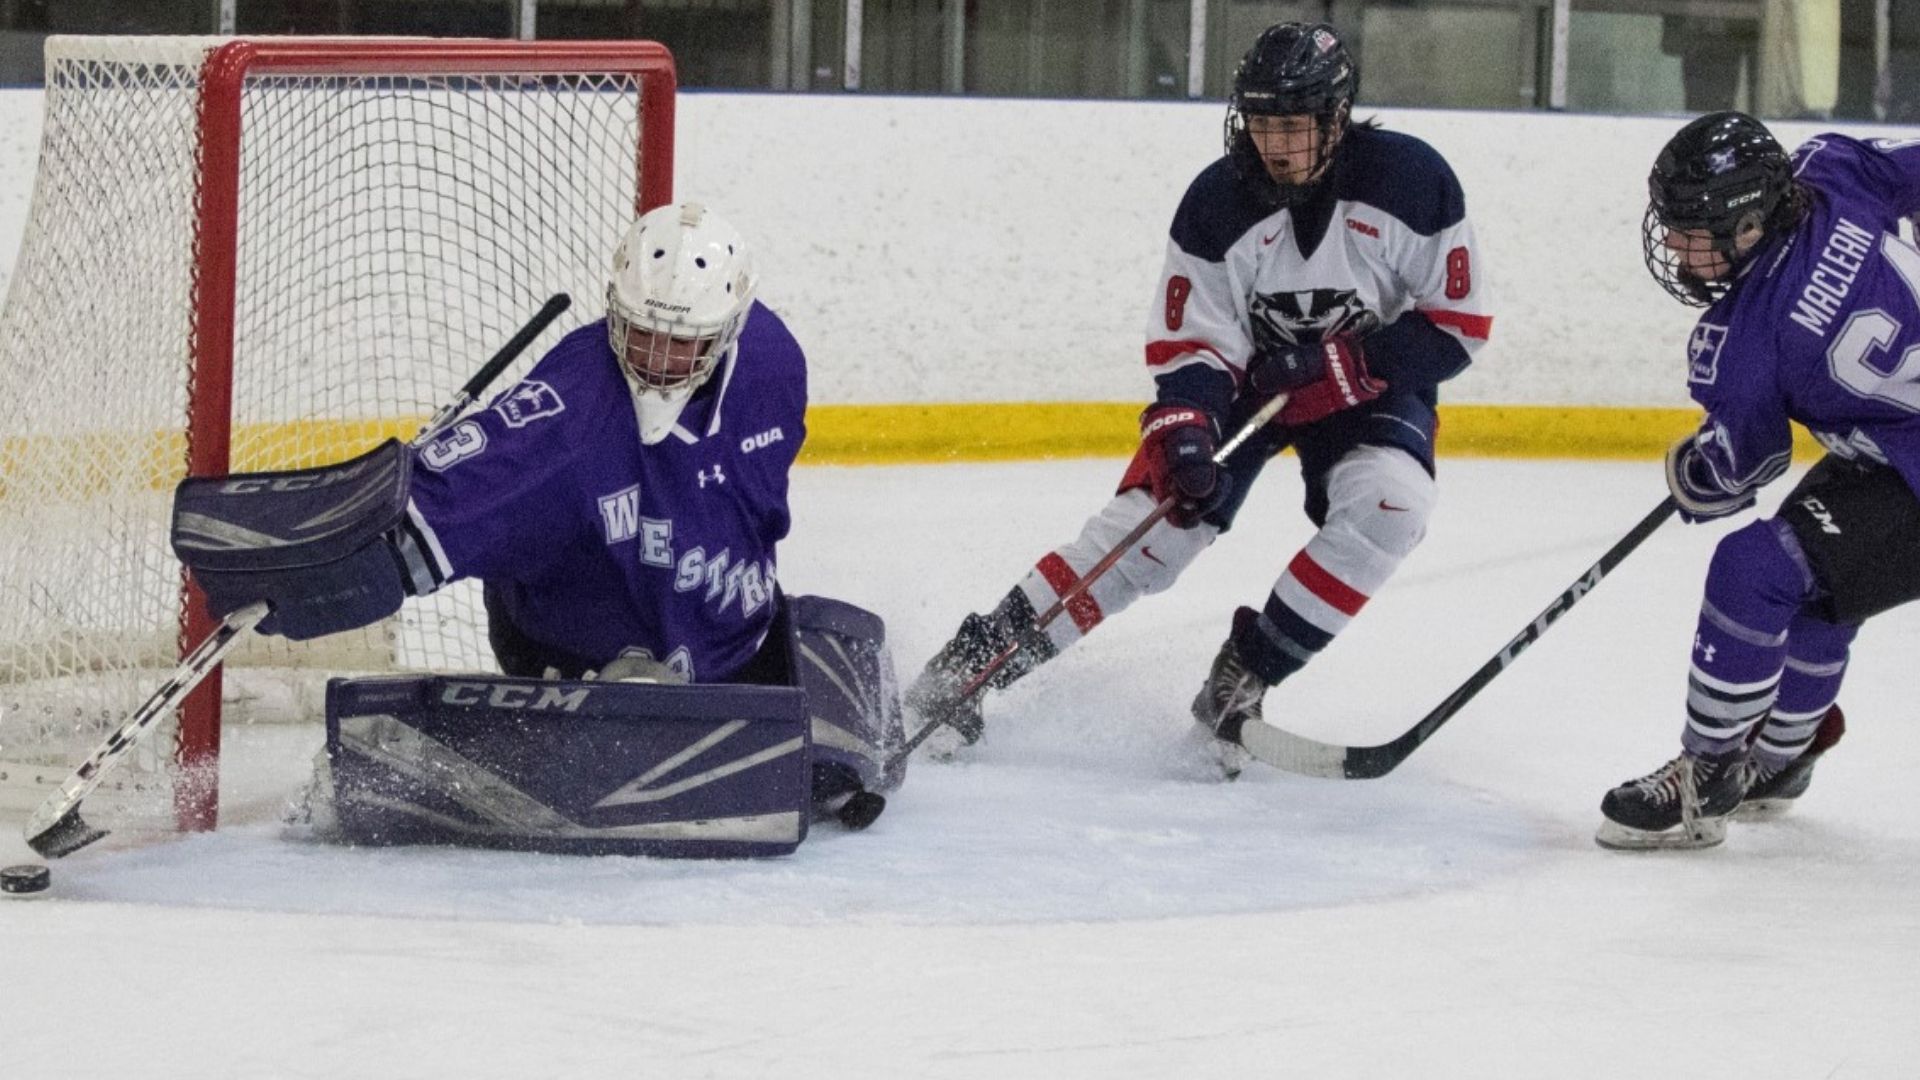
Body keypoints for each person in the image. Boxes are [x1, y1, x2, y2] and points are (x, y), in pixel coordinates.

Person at [172, 202, 901, 852]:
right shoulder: (565, 414)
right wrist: (317, 568)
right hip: (571, 658)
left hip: (727, 643)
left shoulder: (773, 365)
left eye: (684, 342)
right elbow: (430, 513)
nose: (657, 359)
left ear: (731, 329)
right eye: (641, 332)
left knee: (832, 761)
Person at [901, 22, 1491, 771]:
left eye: (1294, 126)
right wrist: (1186, 432)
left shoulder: (1411, 181)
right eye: (1262, 123)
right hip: (1246, 386)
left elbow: (1457, 325)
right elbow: (1195, 347)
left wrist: (1344, 365)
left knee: (1392, 505)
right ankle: (969, 667)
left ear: (1337, 118)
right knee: (1153, 534)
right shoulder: (1217, 203)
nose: (1275, 145)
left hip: (1367, 383)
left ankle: (1245, 674)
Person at [1597, 112, 1920, 850]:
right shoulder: (1832, 170)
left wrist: (1697, 469)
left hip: (1905, 460)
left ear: (1747, 226)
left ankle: (1708, 775)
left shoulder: (1739, 343)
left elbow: (1745, 469)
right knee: (1822, 590)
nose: (1672, 245)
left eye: (1689, 231)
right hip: (1894, 454)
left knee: (1753, 569)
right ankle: (1777, 763)